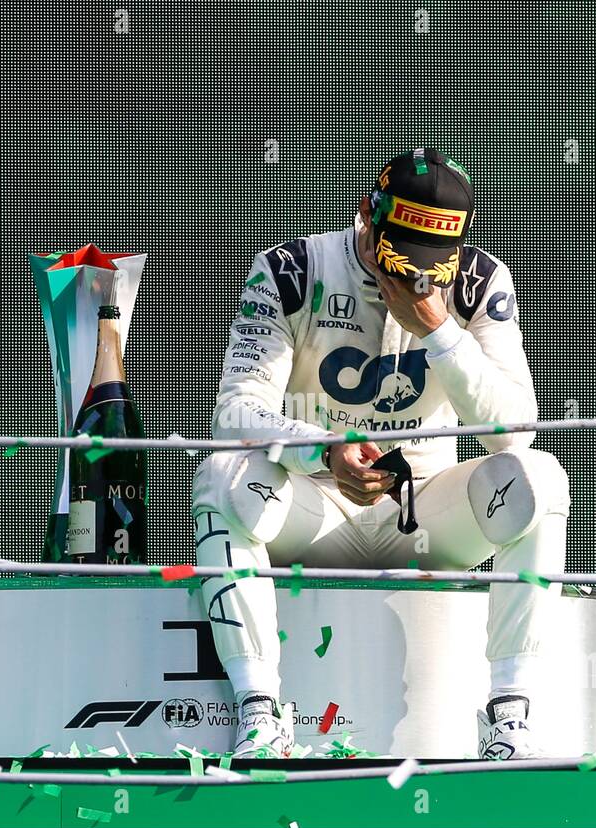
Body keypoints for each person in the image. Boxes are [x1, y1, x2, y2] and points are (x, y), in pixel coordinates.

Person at [191, 147, 571, 759]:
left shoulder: (479, 280)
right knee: (218, 476)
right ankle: (260, 713)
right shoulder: (292, 270)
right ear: (368, 216)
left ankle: (509, 717)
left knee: (540, 478)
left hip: (426, 515)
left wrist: (440, 331)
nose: (412, 275)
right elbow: (235, 411)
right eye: (399, 252)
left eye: (431, 261)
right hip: (315, 510)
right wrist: (322, 451)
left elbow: (515, 431)